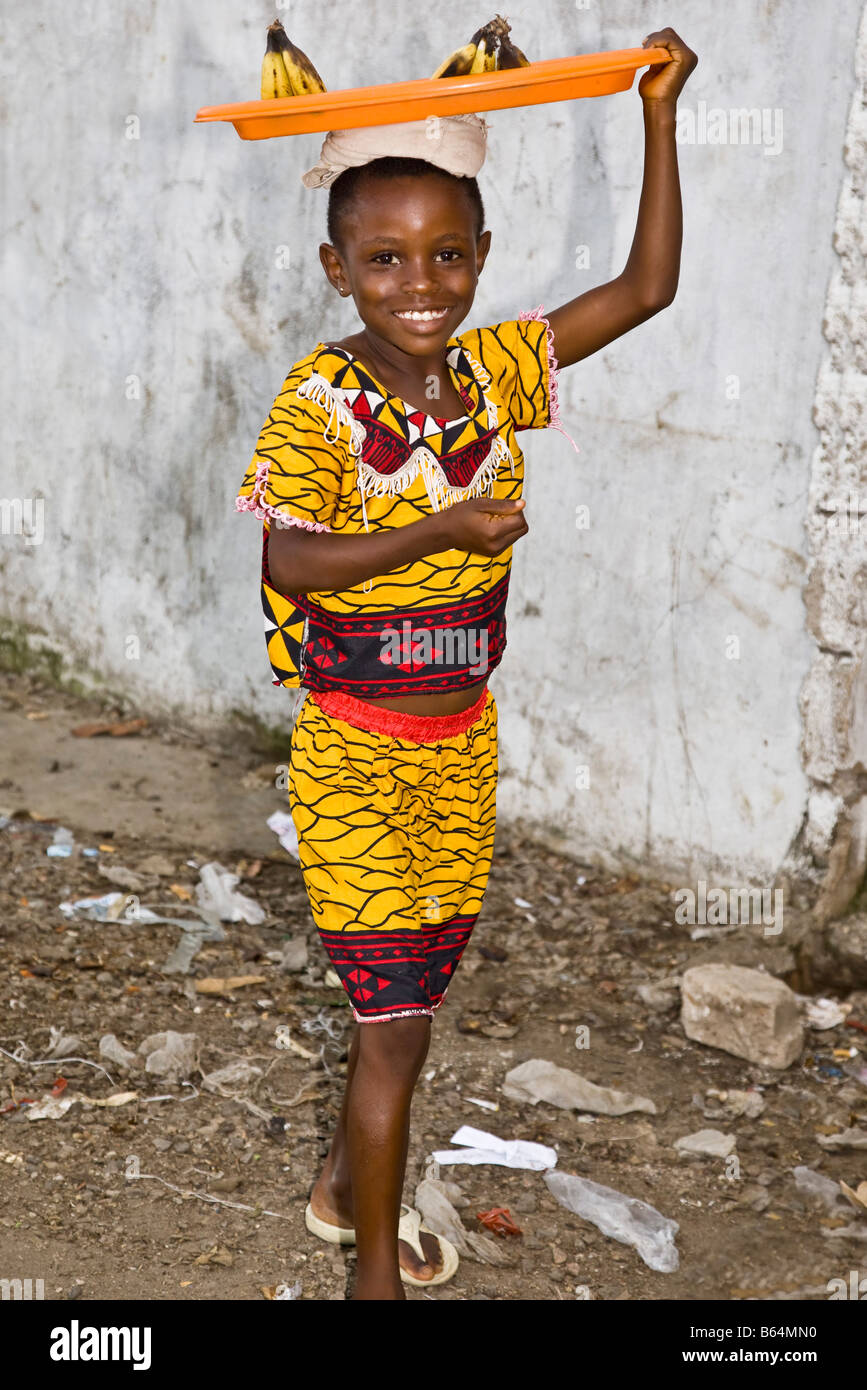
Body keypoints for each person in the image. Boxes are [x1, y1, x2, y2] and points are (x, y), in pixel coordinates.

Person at [235, 27, 697, 1300]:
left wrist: (657, 114)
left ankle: (344, 1185)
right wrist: (440, 525)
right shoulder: (320, 402)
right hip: (356, 753)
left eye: (447, 255)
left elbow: (645, 288)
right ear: (339, 268)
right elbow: (292, 563)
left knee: (415, 995)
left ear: (481, 257)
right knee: (396, 1030)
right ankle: (369, 1277)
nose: (419, 282)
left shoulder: (496, 373)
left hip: (459, 746)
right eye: (384, 259)